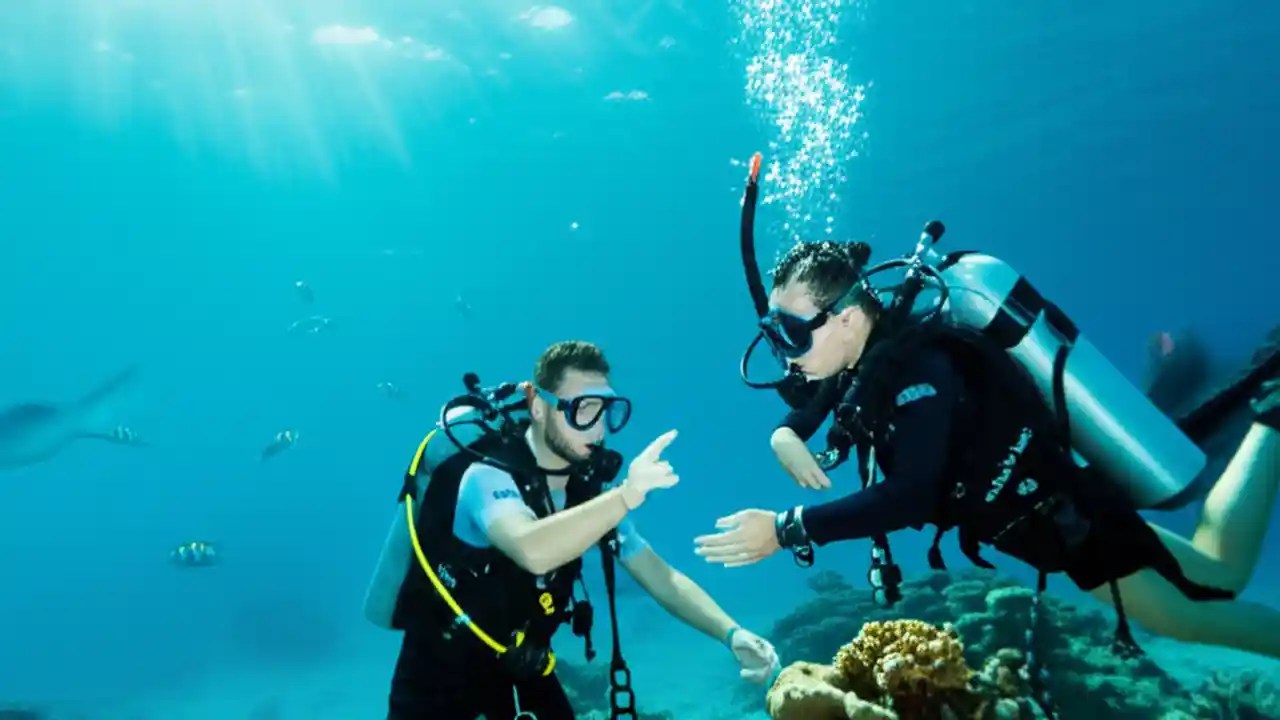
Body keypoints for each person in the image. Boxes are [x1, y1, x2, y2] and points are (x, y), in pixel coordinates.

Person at [693, 238, 1280, 660]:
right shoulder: (861, 362)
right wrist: (784, 435)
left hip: (1067, 519)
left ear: (845, 319)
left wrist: (787, 528)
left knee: (1191, 611)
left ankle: (1273, 413)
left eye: (791, 335)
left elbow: (911, 497)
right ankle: (1271, 415)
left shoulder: (917, 368)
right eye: (773, 335)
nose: (784, 355)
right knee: (1215, 566)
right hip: (1050, 508)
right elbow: (812, 404)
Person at [374, 340, 779, 720]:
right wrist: (624, 496)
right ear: (538, 406)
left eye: (607, 411)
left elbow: (659, 575)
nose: (598, 429)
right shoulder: (485, 474)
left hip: (525, 664)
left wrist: (731, 633)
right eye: (583, 409)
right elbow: (531, 548)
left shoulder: (587, 492)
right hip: (437, 677)